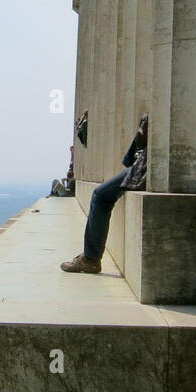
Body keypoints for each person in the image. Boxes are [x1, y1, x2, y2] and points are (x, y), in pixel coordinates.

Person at [60, 114, 148, 274]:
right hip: (143, 165)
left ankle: (91, 259)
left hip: (144, 167)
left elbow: (135, 148)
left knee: (100, 196)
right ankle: (90, 257)